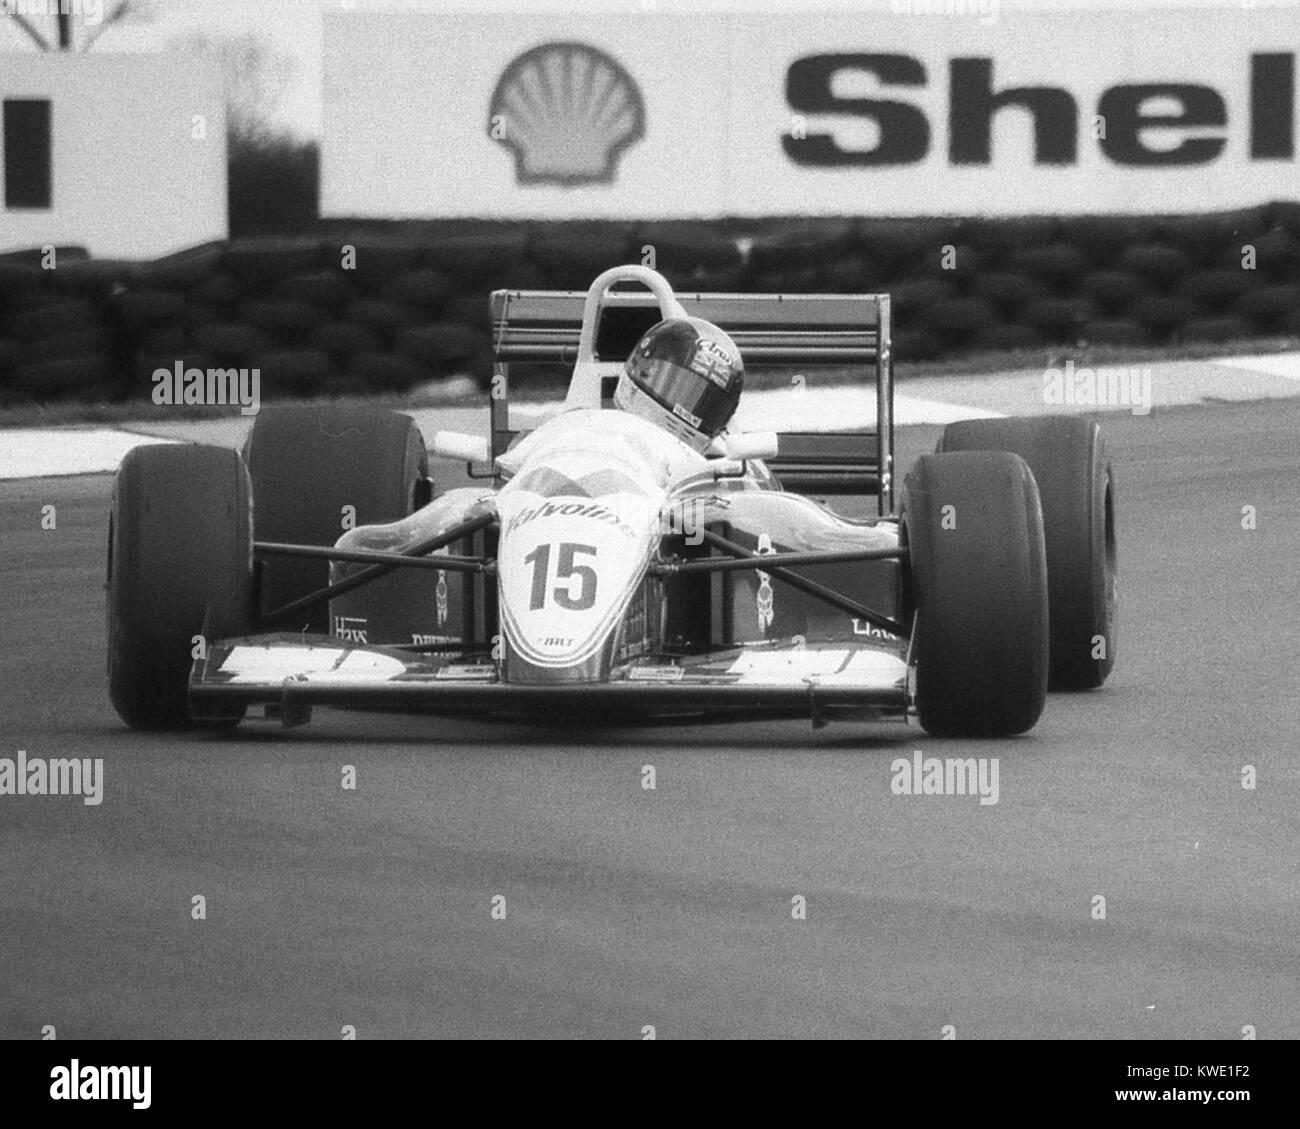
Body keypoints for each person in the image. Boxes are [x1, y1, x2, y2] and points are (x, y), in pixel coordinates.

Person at [612, 316, 745, 454]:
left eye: (707, 403)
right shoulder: (595, 428)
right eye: (675, 384)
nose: (686, 407)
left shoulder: (726, 460)